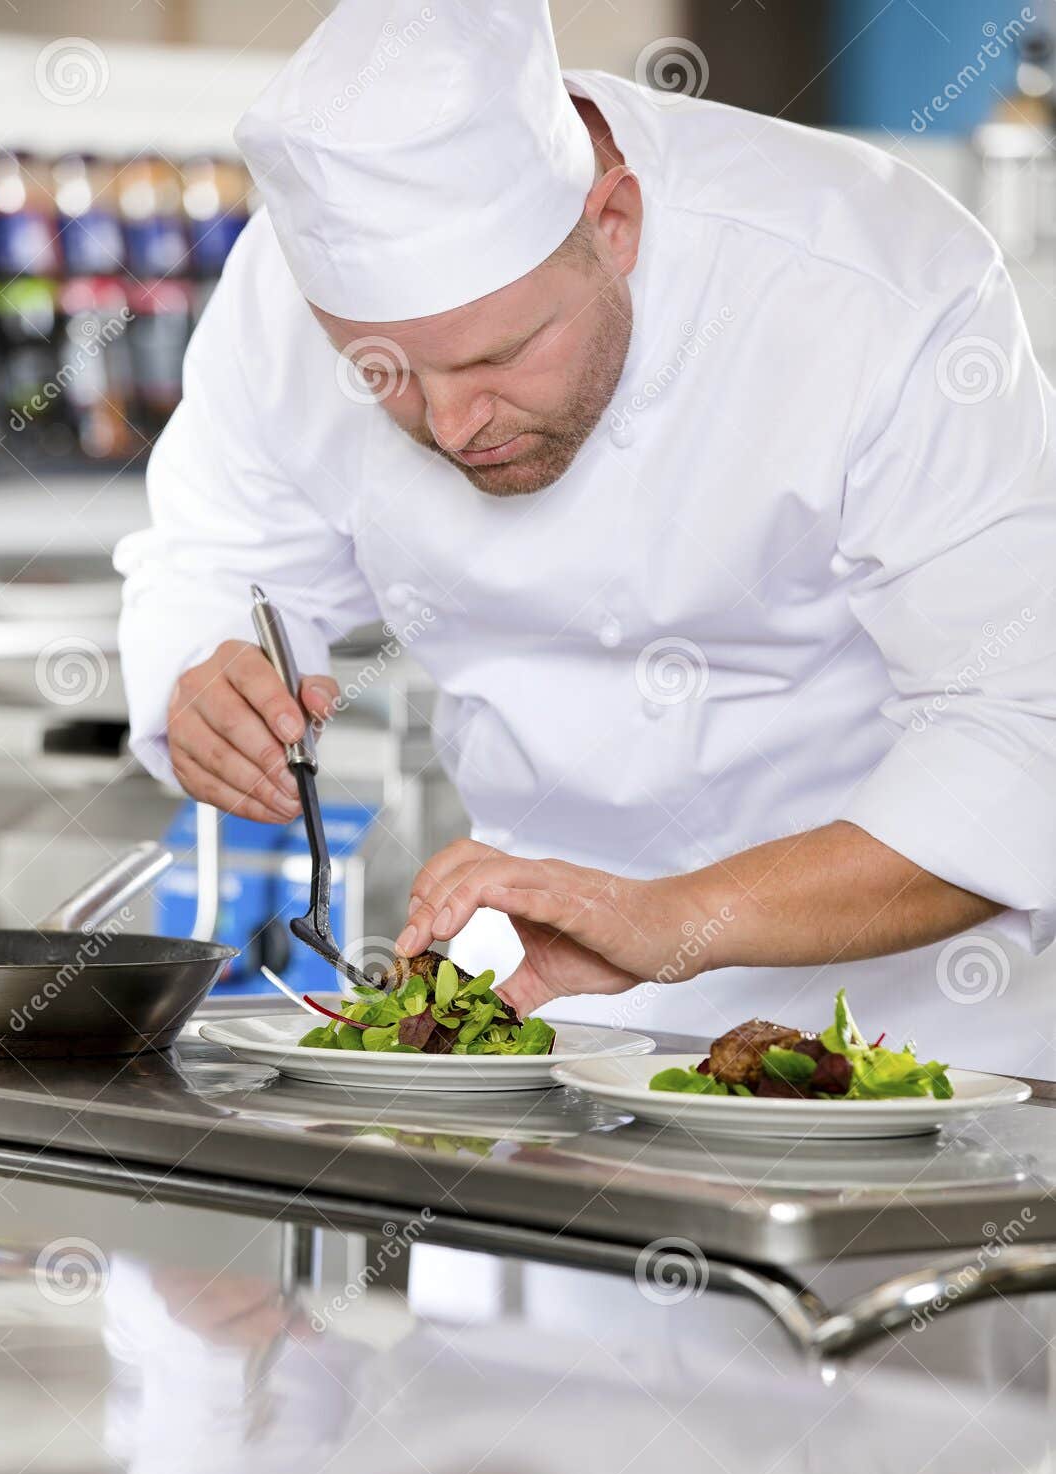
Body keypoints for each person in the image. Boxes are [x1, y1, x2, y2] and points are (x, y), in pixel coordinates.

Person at [116, 0, 1056, 1075]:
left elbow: (1021, 730)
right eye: (386, 378)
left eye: (495, 357)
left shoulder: (872, 280)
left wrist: (674, 919)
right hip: (529, 1026)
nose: (453, 426)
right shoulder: (285, 293)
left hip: (915, 1051)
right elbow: (211, 555)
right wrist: (207, 682)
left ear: (613, 220)